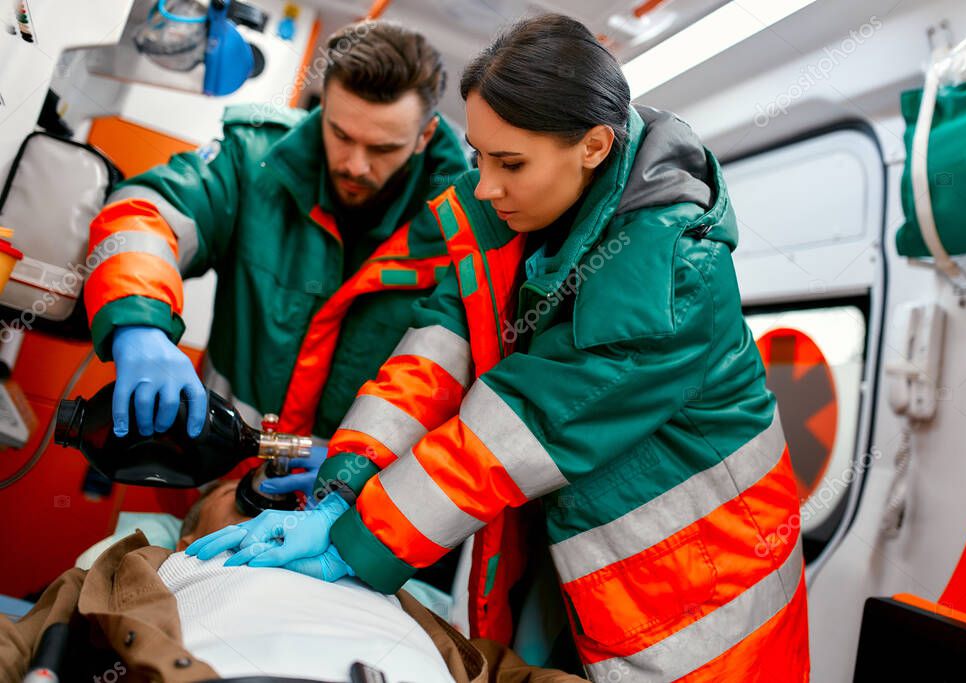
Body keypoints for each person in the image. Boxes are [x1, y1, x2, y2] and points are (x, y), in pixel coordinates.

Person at [189, 14, 811, 682]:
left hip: (698, 599)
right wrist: (343, 485)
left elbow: (514, 431)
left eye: (509, 163)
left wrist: (353, 541)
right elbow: (426, 360)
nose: (483, 185)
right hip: (574, 552)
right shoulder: (509, 217)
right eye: (480, 155)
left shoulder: (671, 274)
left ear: (595, 146)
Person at [82, 21, 470, 477]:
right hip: (217, 473)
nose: (355, 164)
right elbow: (146, 212)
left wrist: (363, 467)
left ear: (424, 137)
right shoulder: (253, 160)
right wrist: (137, 321)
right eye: (341, 135)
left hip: (353, 504)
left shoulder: (465, 231)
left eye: (383, 147)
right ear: (323, 107)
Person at [0, 480, 585, 681]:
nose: (271, 517)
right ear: (186, 537)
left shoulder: (396, 595)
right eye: (241, 499)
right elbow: (26, 642)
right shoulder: (149, 567)